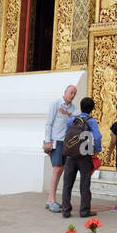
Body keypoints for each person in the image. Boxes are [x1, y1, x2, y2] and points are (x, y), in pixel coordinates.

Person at [60, 97, 102, 219]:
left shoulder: (72, 119)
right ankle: (84, 211)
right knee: (84, 184)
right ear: (92, 109)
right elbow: (97, 137)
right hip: (84, 155)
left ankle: (65, 210)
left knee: (67, 183)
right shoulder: (91, 121)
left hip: (70, 156)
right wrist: (96, 150)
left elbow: (67, 134)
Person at [43, 84, 78, 212]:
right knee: (57, 169)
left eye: (75, 93)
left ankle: (50, 199)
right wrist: (47, 141)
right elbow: (49, 123)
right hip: (55, 141)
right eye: (71, 92)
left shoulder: (74, 109)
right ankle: (51, 200)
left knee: (61, 169)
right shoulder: (56, 104)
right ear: (65, 92)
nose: (73, 95)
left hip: (66, 142)